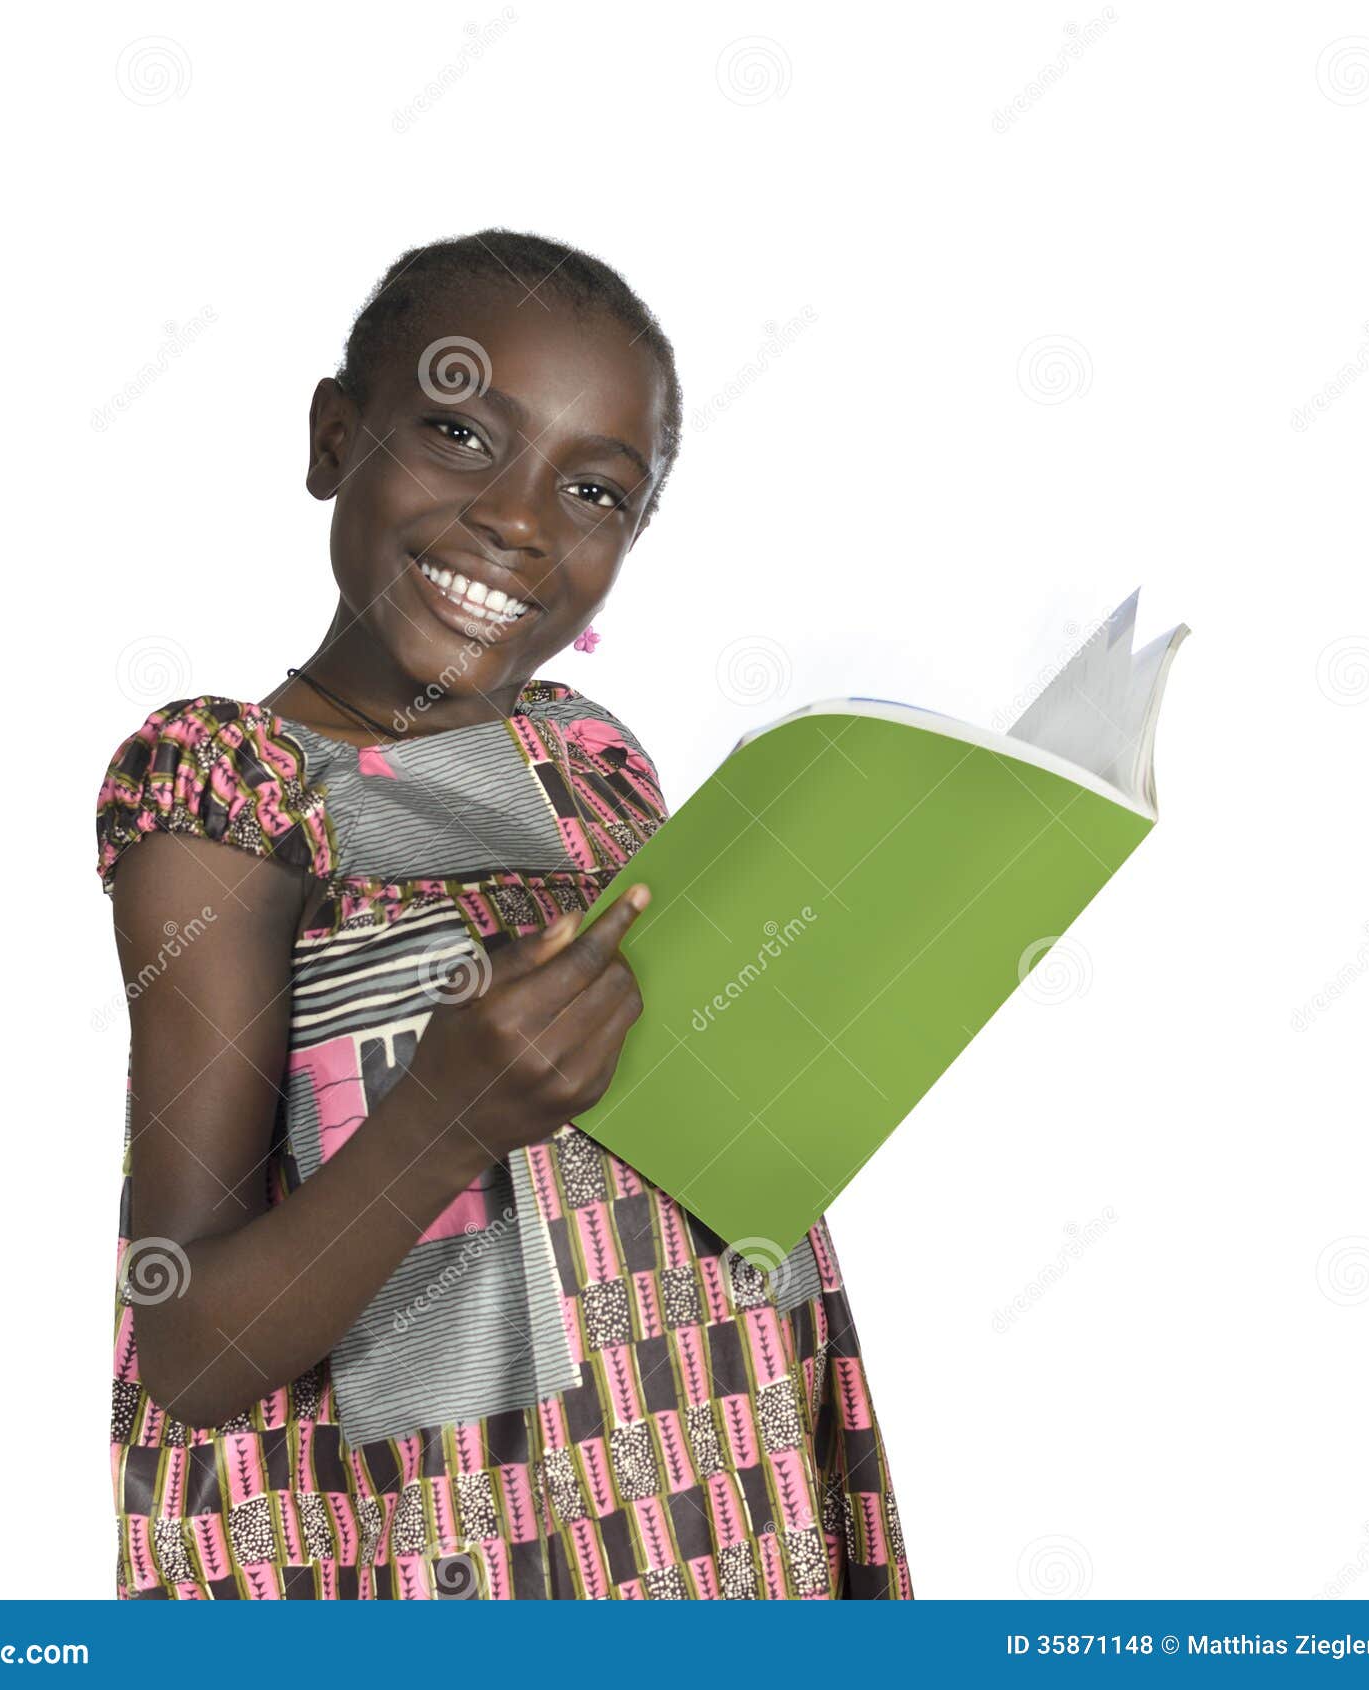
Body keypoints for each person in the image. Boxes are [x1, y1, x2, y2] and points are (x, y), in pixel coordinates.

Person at [93, 227, 912, 1600]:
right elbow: (189, 1350)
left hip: (726, 1510)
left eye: (594, 489)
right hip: (457, 1563)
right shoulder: (236, 795)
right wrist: (447, 1115)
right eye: (462, 432)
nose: (521, 522)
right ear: (333, 438)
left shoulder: (593, 761)